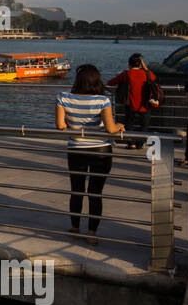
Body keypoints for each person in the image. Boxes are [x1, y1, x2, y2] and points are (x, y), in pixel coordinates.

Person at [55, 64, 125, 245]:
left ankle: (75, 227)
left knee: (76, 190)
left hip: (76, 149)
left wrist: (74, 125)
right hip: (100, 151)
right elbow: (110, 128)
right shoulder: (103, 100)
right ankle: (91, 233)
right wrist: (120, 127)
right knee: (95, 193)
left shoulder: (63, 97)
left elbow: (60, 126)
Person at [107, 53, 157, 147]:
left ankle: (131, 143)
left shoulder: (126, 74)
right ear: (140, 64)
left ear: (129, 64)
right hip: (145, 104)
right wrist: (145, 67)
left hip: (130, 103)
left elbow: (111, 82)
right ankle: (140, 143)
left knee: (129, 123)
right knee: (144, 125)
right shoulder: (146, 74)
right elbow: (154, 77)